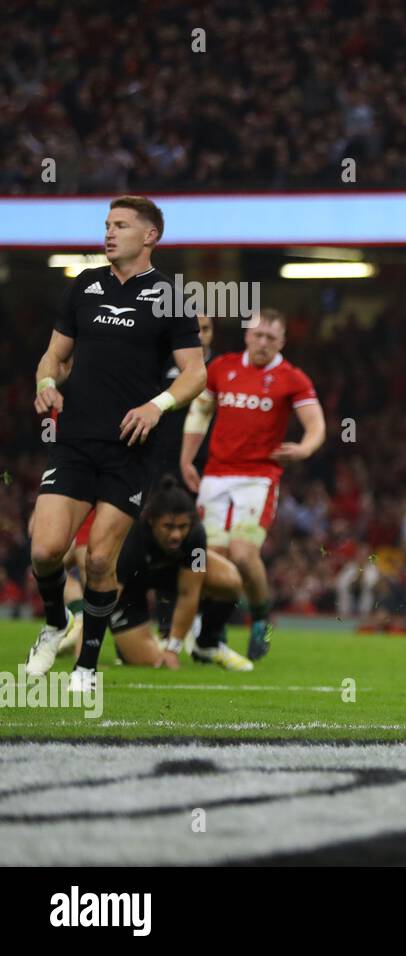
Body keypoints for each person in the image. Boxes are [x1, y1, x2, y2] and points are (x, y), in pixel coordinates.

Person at [24, 195, 205, 688]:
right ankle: (57, 622)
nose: (108, 232)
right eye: (107, 224)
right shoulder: (84, 285)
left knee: (102, 560)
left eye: (120, 225)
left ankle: (86, 666)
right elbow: (53, 358)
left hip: (128, 447)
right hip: (75, 439)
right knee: (45, 551)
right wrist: (46, 386)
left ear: (150, 236)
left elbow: (195, 374)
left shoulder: (171, 295)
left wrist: (157, 406)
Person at [180, 309, 325, 661]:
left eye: (270, 338)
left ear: (282, 342)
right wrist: (186, 458)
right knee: (211, 560)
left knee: (243, 555)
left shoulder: (292, 378)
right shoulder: (221, 369)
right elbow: (200, 413)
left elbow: (315, 423)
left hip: (259, 478)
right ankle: (213, 633)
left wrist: (304, 448)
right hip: (215, 475)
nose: (262, 343)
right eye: (257, 335)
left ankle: (261, 618)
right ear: (247, 335)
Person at [60, 477, 253, 671]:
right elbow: (107, 596)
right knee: (152, 661)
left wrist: (173, 649)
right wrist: (83, 652)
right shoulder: (132, 538)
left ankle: (206, 643)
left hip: (173, 578)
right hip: (129, 589)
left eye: (182, 527)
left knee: (231, 580)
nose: (176, 535)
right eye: (168, 526)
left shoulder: (196, 537)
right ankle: (128, 644)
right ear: (152, 521)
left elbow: (189, 594)